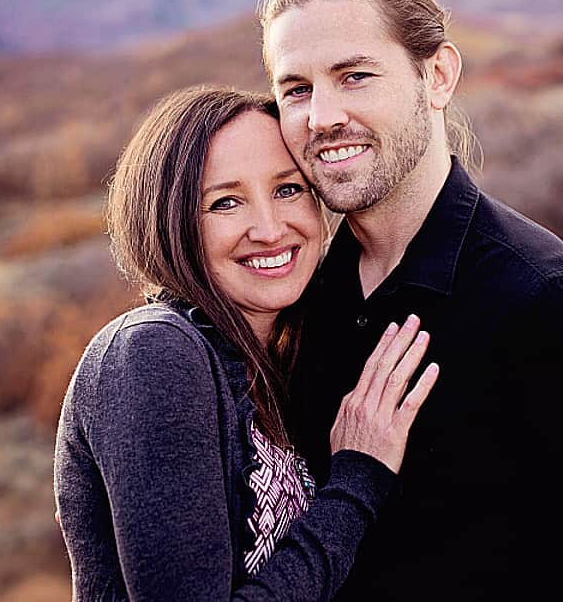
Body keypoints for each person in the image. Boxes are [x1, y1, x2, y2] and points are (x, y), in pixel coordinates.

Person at [259, 0, 563, 600]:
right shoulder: (304, 300)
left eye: (354, 75)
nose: (321, 117)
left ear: (437, 74)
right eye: (295, 88)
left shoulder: (550, 306)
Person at [53, 86, 439, 600]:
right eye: (226, 202)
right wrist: (357, 479)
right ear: (170, 221)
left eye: (287, 190)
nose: (269, 228)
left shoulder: (271, 360)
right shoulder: (153, 353)